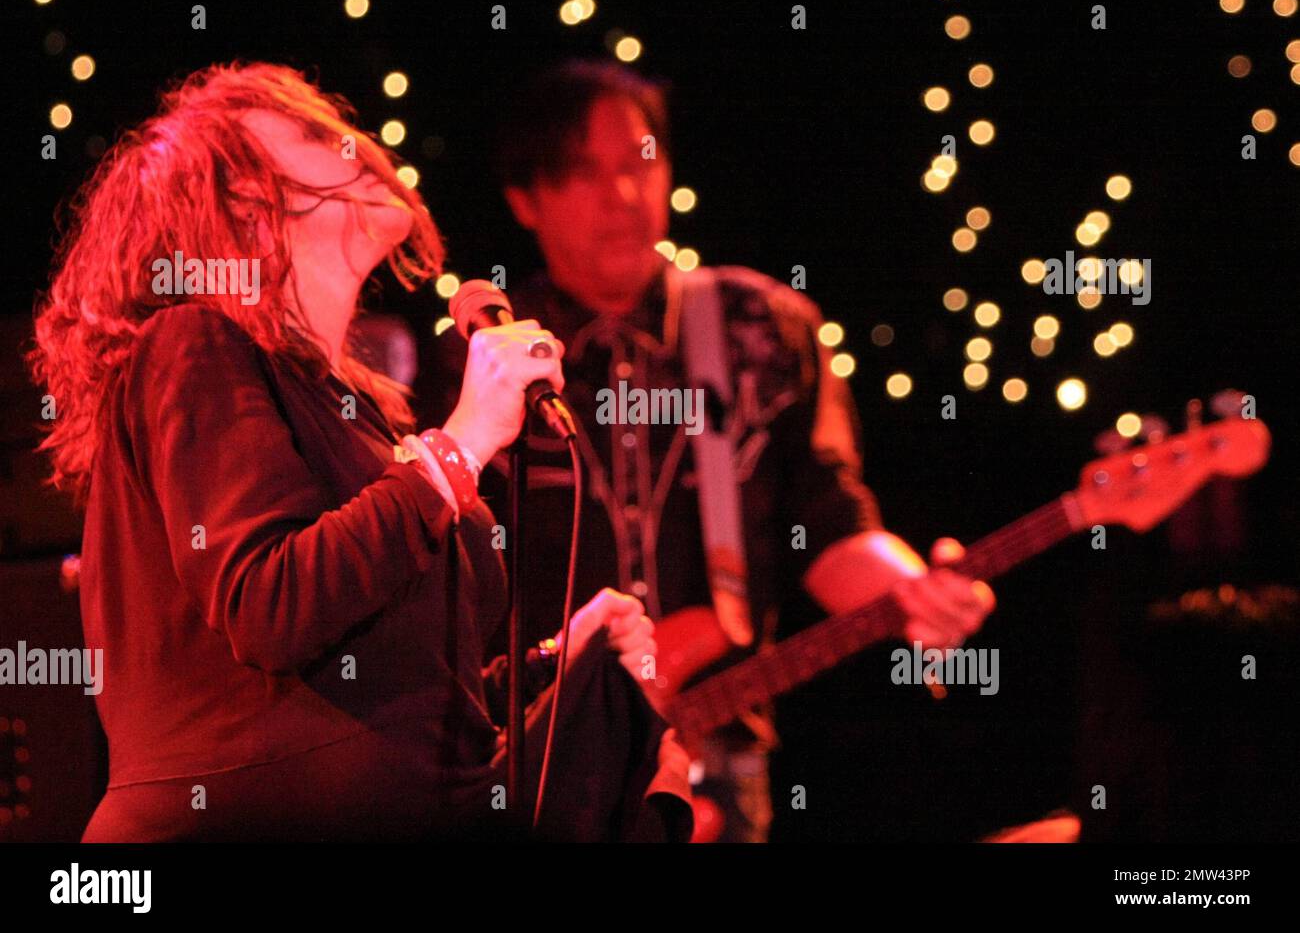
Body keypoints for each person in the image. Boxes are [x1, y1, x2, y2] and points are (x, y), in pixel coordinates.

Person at [29, 62, 683, 842]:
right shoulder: (193, 341)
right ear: (244, 203)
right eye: (308, 131)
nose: (349, 139)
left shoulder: (360, 414)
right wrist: (464, 441)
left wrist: (554, 660)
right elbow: (271, 605)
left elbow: (390, 695)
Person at [418, 60, 996, 842]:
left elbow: (831, 524)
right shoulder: (484, 351)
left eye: (639, 165)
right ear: (524, 198)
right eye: (585, 173)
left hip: (719, 754)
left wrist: (915, 590)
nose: (622, 197)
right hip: (539, 761)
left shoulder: (763, 326)